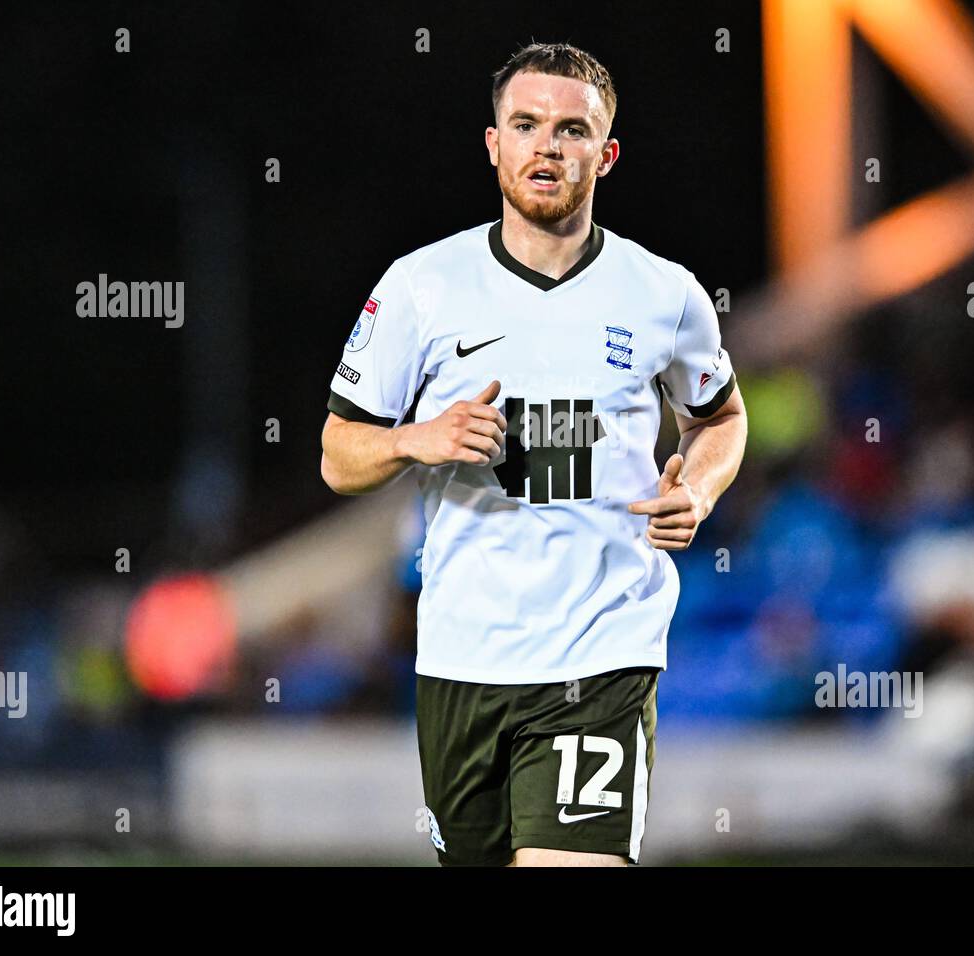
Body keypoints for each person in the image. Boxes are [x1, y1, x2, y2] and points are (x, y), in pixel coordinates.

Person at [320, 41, 747, 866]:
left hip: (603, 649)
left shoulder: (665, 293)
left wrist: (696, 490)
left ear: (606, 154)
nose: (547, 146)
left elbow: (721, 419)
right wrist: (418, 439)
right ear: (493, 144)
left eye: (571, 130)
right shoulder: (420, 286)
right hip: (464, 656)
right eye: (525, 125)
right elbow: (338, 456)